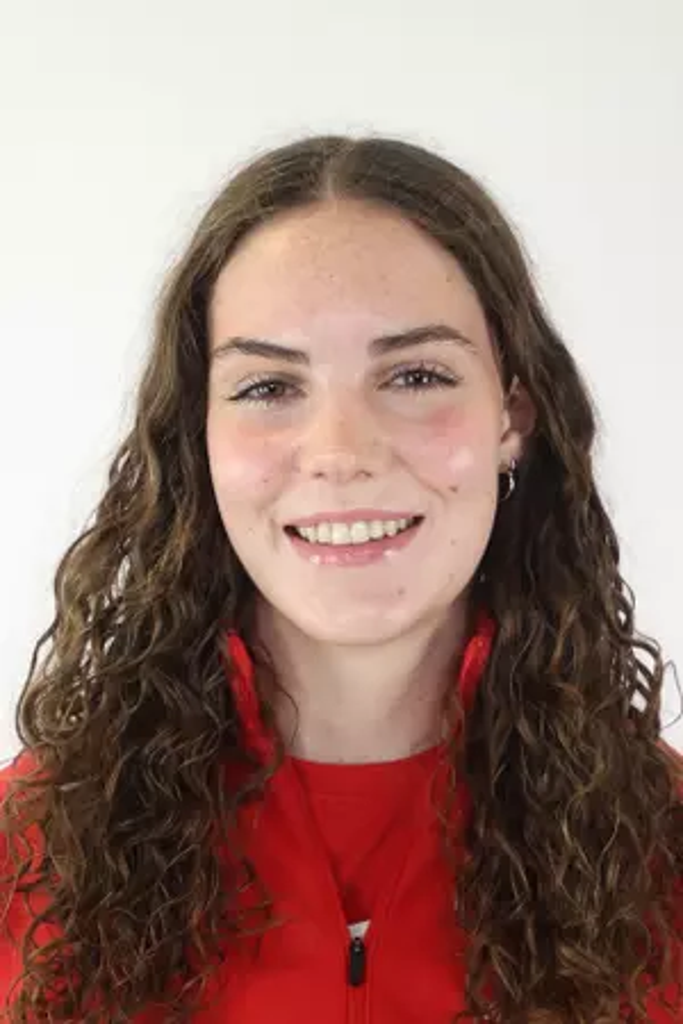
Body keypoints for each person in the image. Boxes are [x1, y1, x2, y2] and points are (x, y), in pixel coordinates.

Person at [0, 135, 681, 1024]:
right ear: (196, 435)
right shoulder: (29, 856)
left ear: (512, 416)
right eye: (267, 387)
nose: (340, 453)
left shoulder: (663, 851)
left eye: (416, 375)